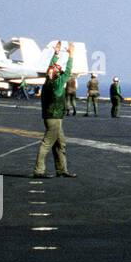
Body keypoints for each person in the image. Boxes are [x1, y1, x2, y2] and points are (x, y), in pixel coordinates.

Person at [32, 42, 77, 179]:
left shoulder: (48, 82)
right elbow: (68, 71)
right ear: (56, 74)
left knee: (60, 143)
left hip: (51, 116)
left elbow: (50, 68)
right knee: (47, 144)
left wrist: (56, 54)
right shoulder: (57, 84)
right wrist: (71, 55)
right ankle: (39, 171)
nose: (60, 71)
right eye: (58, 70)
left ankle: (61, 169)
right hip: (54, 118)